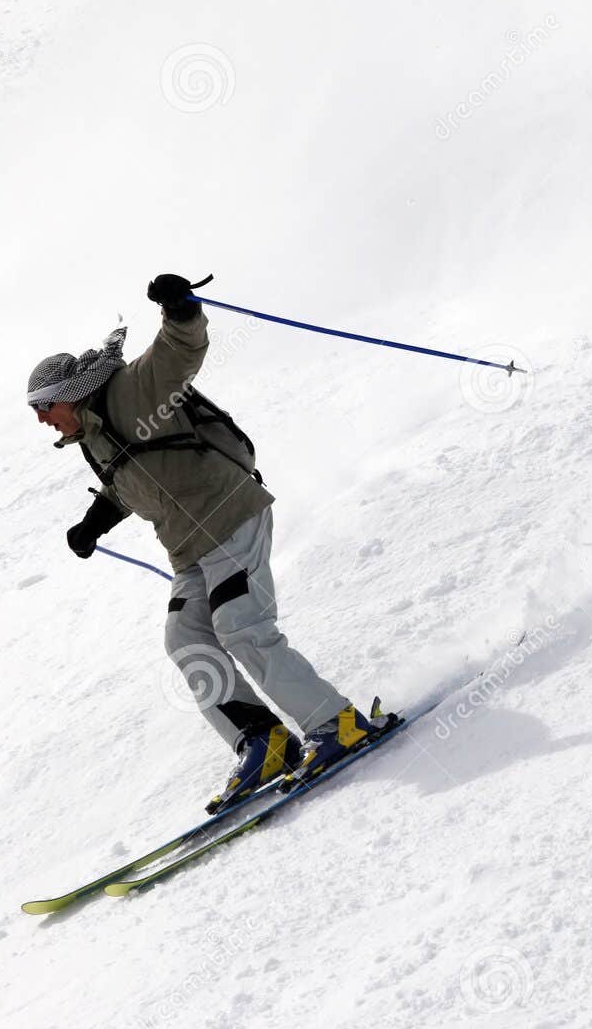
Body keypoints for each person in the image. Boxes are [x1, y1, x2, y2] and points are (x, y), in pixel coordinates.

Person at [28, 273, 388, 812]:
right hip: (189, 548)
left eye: (43, 406)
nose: (40, 419)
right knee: (186, 639)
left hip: (229, 517)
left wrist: (179, 309)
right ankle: (264, 743)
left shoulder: (131, 390)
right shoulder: (95, 435)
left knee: (241, 626)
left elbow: (180, 350)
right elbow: (129, 483)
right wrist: (93, 524)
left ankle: (338, 725)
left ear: (68, 395)